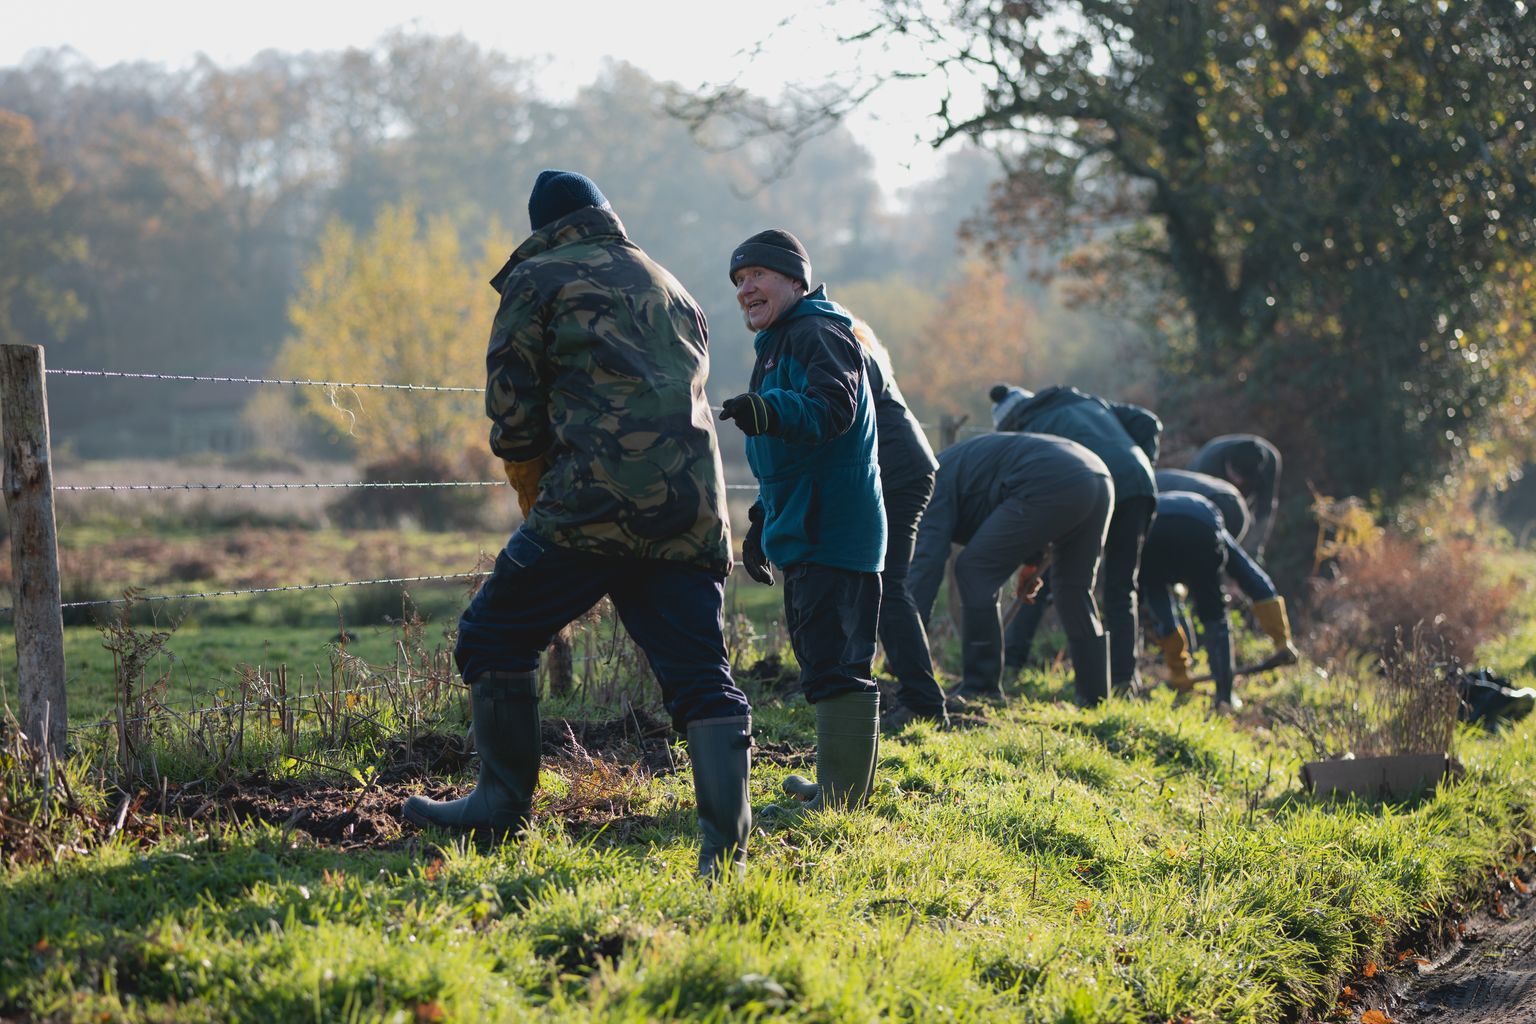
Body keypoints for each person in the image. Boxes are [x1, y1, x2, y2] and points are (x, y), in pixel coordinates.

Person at [403, 170, 753, 881]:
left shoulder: (536, 280)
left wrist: (541, 507)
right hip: (689, 512)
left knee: (494, 635)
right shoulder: (669, 283)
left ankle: (499, 808)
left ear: (542, 225)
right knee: (699, 678)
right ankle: (727, 854)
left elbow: (514, 414)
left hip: (588, 506)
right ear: (604, 214)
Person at [720, 228, 886, 810]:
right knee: (824, 657)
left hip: (834, 527)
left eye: (758, 275)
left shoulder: (818, 332)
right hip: (808, 522)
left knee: (836, 662)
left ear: (795, 278)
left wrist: (767, 409)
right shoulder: (783, 340)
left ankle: (840, 799)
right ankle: (840, 786)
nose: (747, 289)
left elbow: (830, 411)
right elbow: (792, 452)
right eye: (739, 281)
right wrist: (765, 517)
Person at [908, 432, 1115, 707]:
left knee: (974, 569)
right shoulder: (948, 469)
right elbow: (1006, 500)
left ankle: (982, 688)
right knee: (1074, 589)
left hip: (1053, 479)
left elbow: (926, 563)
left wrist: (906, 640)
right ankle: (1095, 699)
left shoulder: (924, 486)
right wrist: (1032, 562)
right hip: (1097, 478)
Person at [991, 382, 1161, 693]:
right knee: (1121, 587)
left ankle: (1012, 662)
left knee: (1058, 577)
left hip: (1093, 487)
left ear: (1010, 424)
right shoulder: (1086, 401)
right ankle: (1124, 680)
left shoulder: (1031, 431)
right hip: (1138, 482)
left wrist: (1034, 553)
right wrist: (1142, 463)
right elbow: (1147, 422)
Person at [848, 317, 947, 730]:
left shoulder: (843, 346)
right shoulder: (863, 349)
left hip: (897, 470)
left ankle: (923, 701)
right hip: (901, 466)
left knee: (887, 585)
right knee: (872, 582)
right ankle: (855, 685)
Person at [1139, 490, 1300, 710]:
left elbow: (1161, 608)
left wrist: (1179, 671)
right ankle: (1225, 697)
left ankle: (1179, 672)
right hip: (1200, 522)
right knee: (1214, 614)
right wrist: (1282, 640)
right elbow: (1253, 578)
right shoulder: (1213, 527)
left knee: (1155, 592)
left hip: (1149, 529)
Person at [1188, 434, 1281, 559]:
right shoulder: (1207, 464)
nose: (1238, 482)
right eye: (1235, 476)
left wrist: (1253, 550)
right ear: (1228, 464)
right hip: (1207, 494)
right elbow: (1195, 510)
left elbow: (1265, 510)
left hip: (1245, 500)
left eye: (1243, 479)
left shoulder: (1269, 462)